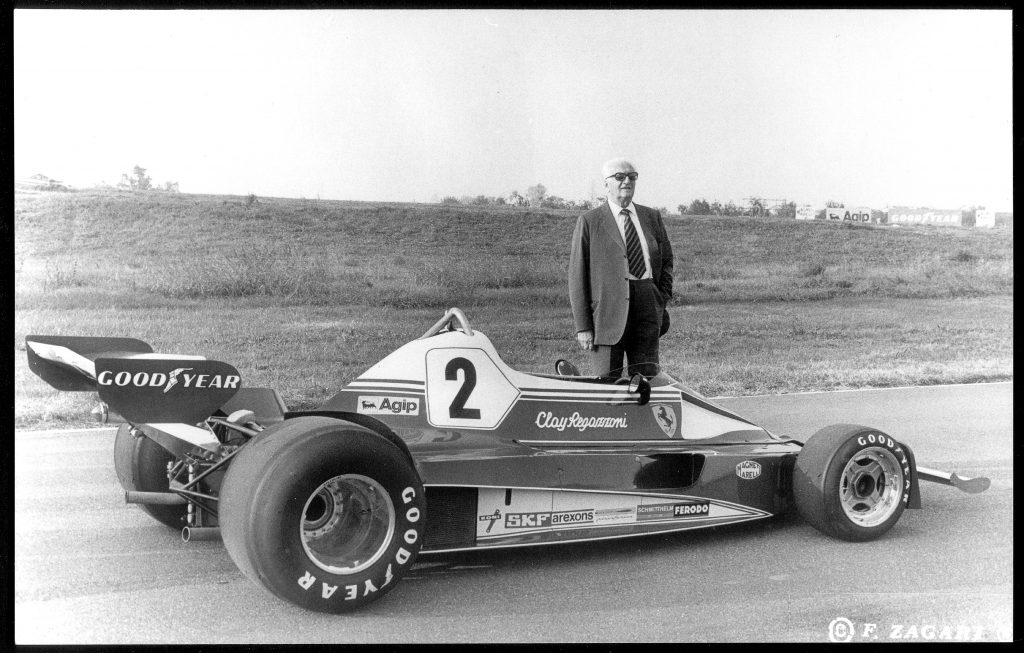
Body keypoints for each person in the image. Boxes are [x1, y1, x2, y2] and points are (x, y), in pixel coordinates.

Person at [568, 158, 673, 378]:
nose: (627, 181)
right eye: (619, 177)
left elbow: (666, 262)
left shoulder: (652, 217)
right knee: (607, 387)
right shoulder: (589, 221)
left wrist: (659, 298)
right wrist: (583, 326)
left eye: (632, 176)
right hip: (607, 316)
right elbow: (577, 277)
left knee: (646, 384)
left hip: (646, 310)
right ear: (606, 184)